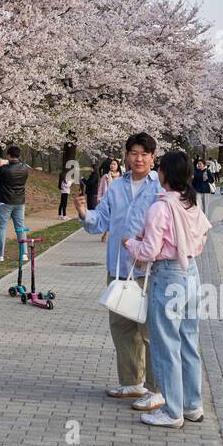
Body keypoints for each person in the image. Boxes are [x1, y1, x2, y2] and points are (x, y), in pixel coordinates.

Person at [72, 132, 162, 408]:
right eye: (134, 153)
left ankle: (157, 390)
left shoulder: (160, 186)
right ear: (126, 155)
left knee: (150, 331)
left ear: (153, 158)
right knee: (121, 327)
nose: (139, 159)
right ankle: (131, 382)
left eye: (145, 154)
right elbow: (101, 221)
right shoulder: (116, 187)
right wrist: (85, 212)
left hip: (148, 269)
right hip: (119, 267)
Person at [123, 150, 211, 428]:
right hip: (191, 274)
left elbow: (148, 251)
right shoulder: (191, 205)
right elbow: (202, 237)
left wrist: (129, 243)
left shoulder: (160, 207)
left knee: (166, 345)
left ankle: (172, 411)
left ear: (163, 174)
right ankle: (192, 405)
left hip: (167, 277)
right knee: (188, 342)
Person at [0, 146, 31, 263]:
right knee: (20, 227)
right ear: (18, 156)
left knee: (1, 228)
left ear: (9, 156)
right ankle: (24, 253)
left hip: (5, 201)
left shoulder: (4, 169)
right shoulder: (25, 168)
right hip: (19, 201)